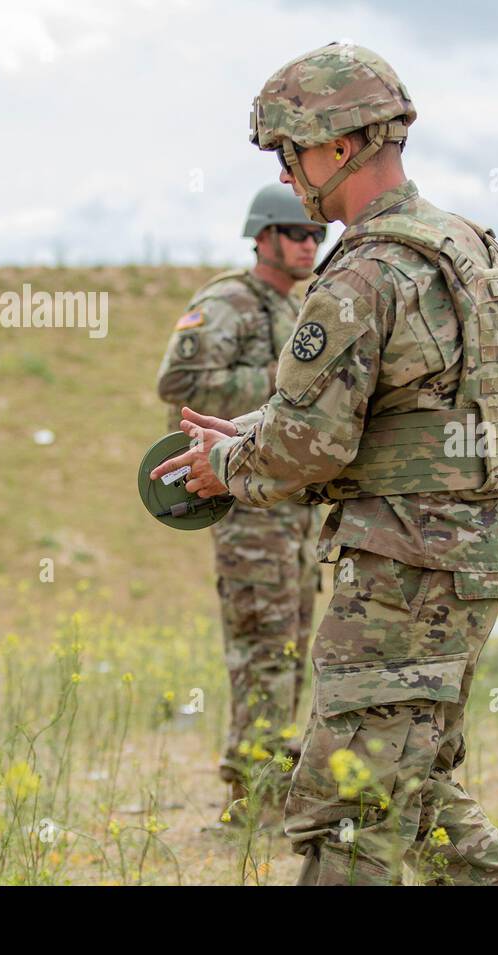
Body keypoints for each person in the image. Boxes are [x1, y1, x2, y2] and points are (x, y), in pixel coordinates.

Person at [152, 43, 498, 885]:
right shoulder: (468, 248)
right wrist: (256, 424)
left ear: (337, 146)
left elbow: (311, 447)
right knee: (418, 786)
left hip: (400, 567)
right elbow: (407, 404)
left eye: (291, 153)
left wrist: (233, 464)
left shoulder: (362, 274)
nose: (289, 177)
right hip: (469, 558)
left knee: (350, 812)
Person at [154, 185, 326, 820]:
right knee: (261, 641)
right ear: (263, 236)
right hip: (247, 506)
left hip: (292, 505)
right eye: (296, 233)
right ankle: (249, 791)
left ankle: (272, 780)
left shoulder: (298, 306)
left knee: (290, 643)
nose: (309, 244)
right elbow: (179, 384)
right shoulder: (228, 301)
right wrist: (287, 391)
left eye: (317, 234)